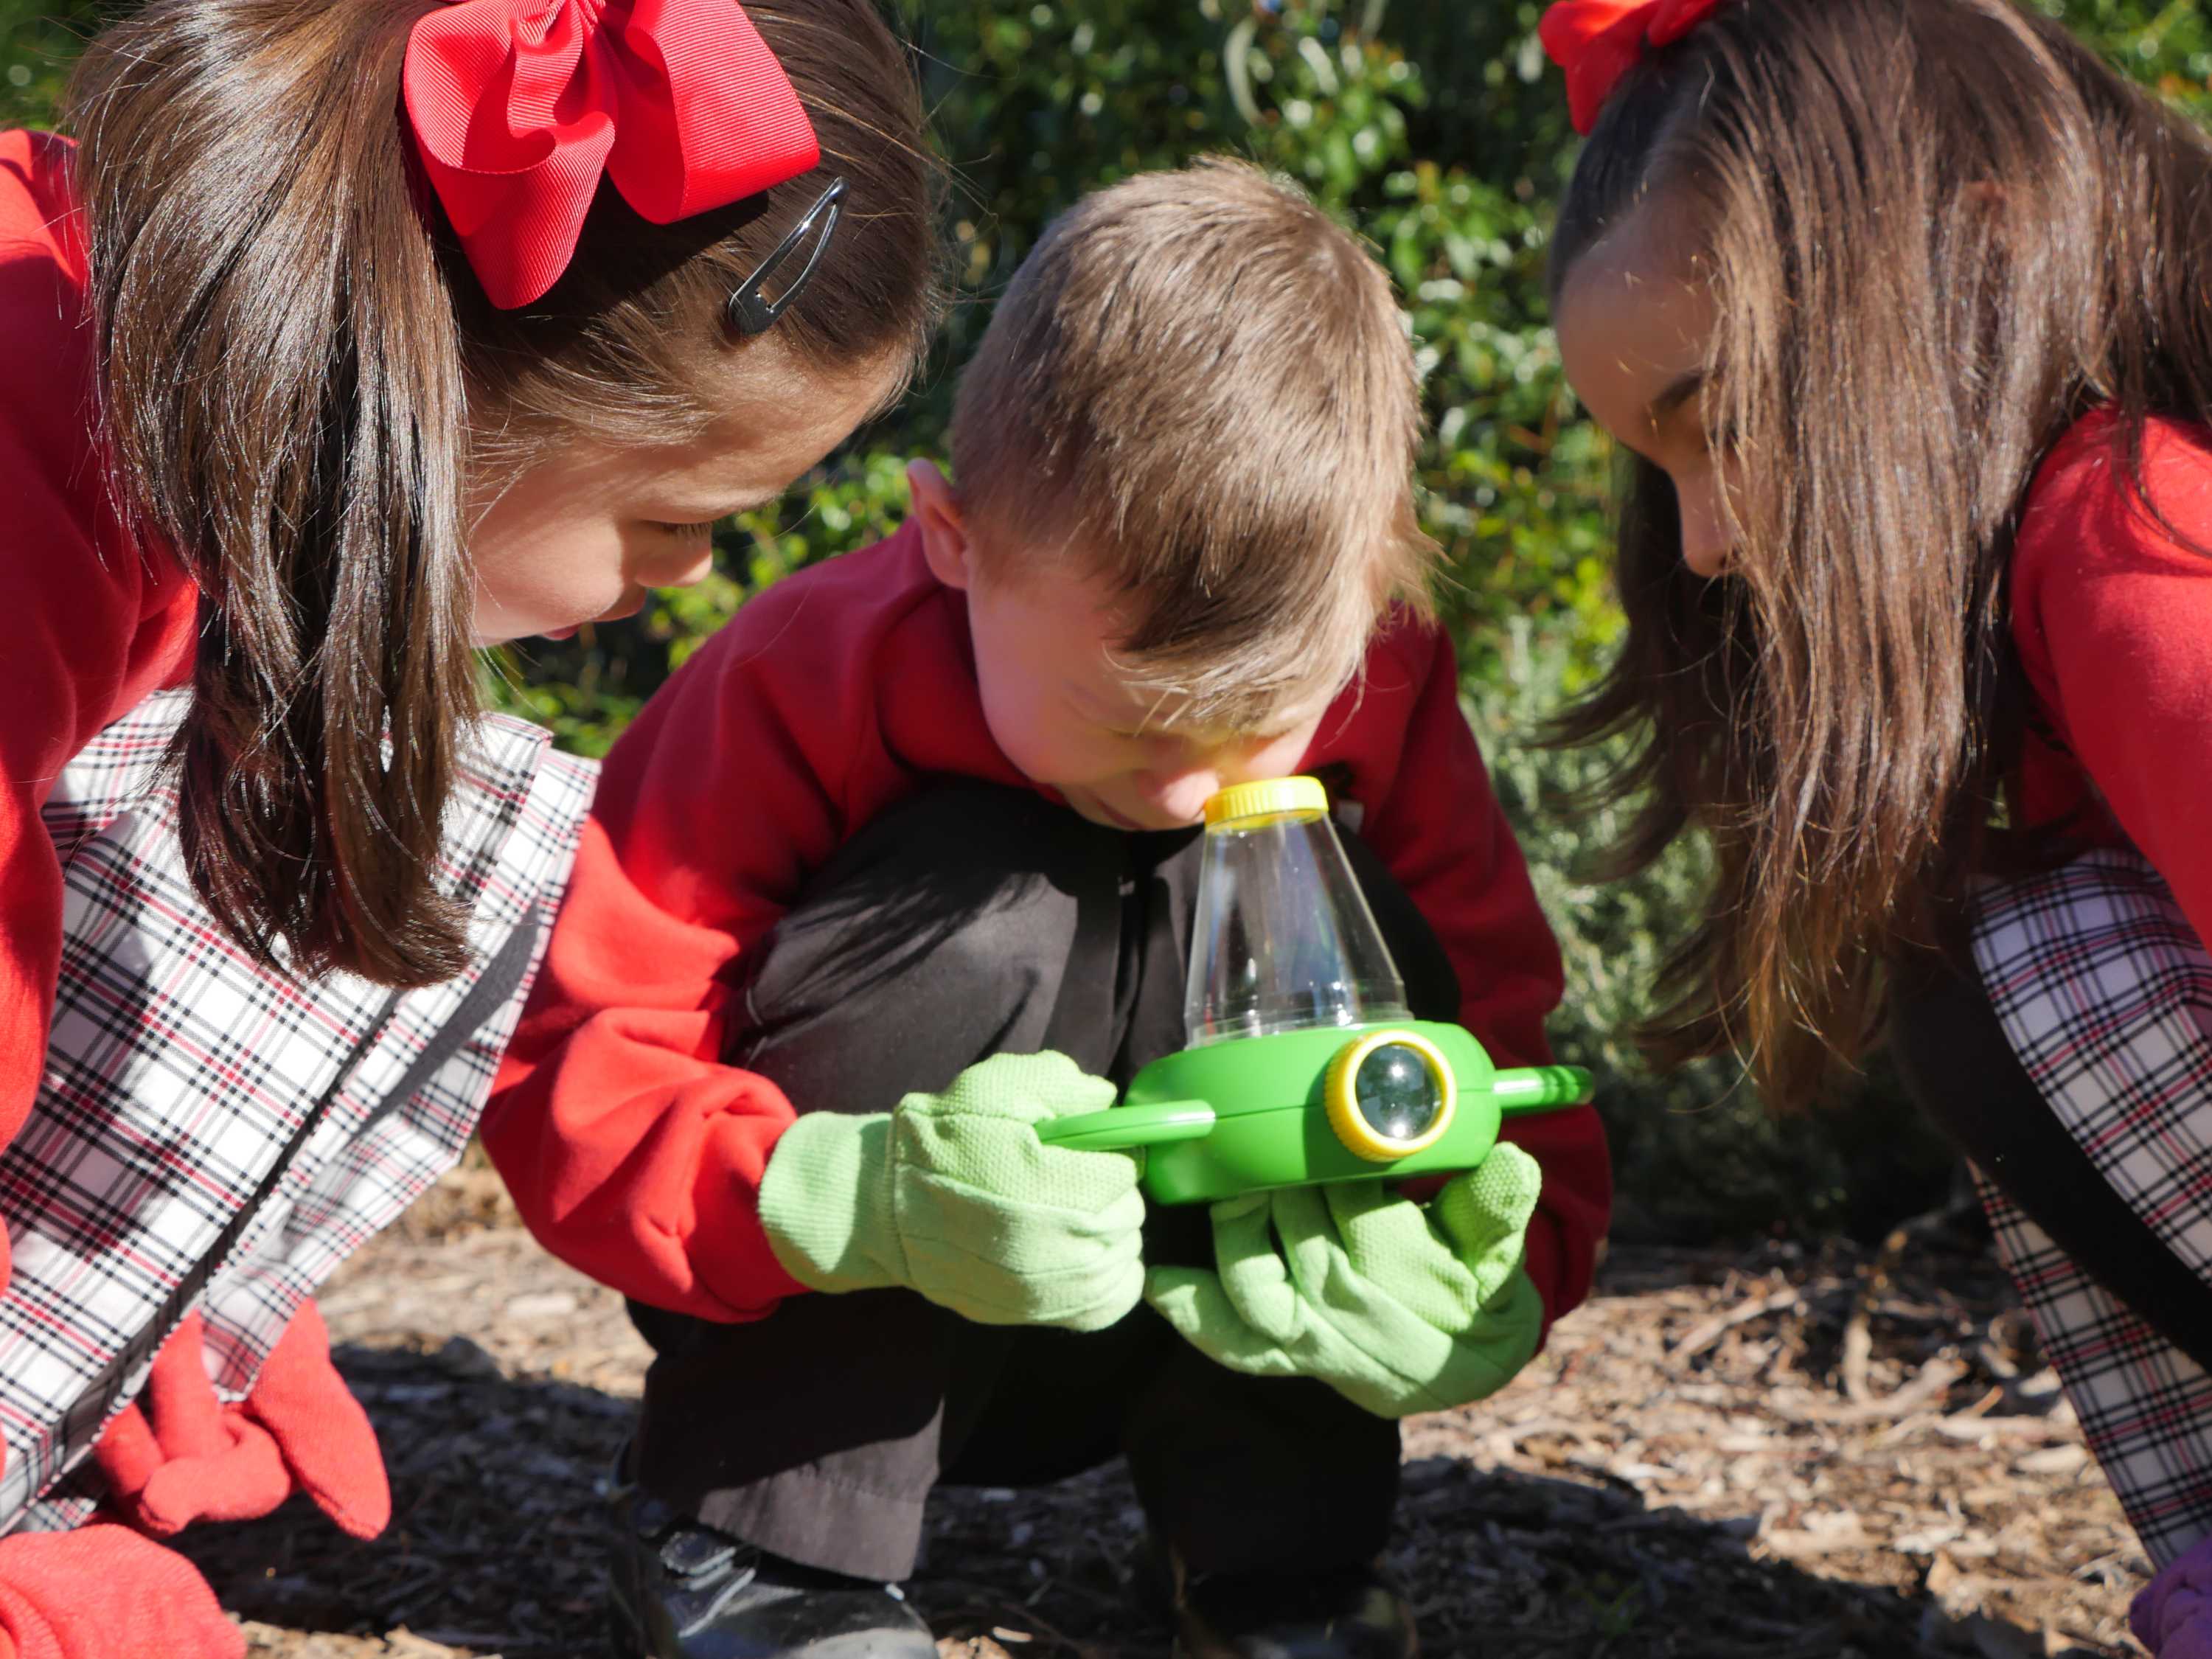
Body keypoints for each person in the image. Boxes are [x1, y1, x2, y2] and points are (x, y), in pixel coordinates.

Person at [487, 158, 1613, 1659]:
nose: (1186, 788)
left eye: (1265, 720)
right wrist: (848, 1193)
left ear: (1378, 578)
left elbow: (1498, 1027)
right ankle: (767, 1551)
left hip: (1195, 1312)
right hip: (843, 1300)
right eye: (1129, 720)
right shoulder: (798, 675)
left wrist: (1487, 1276)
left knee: (1331, 923)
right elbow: (583, 1055)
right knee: (983, 888)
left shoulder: (1391, 682)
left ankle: (1277, 1558)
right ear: (953, 543)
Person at [0, 0, 939, 1649]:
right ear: (445, 371)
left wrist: (141, 1252)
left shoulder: (105, 384)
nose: (692, 577)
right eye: (676, 514)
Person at [1536, 0, 2212, 1650]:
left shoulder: (2130, 551)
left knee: (2022, 957)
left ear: (1957, 260)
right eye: (1660, 468)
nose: (1698, 540)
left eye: (1727, 417)